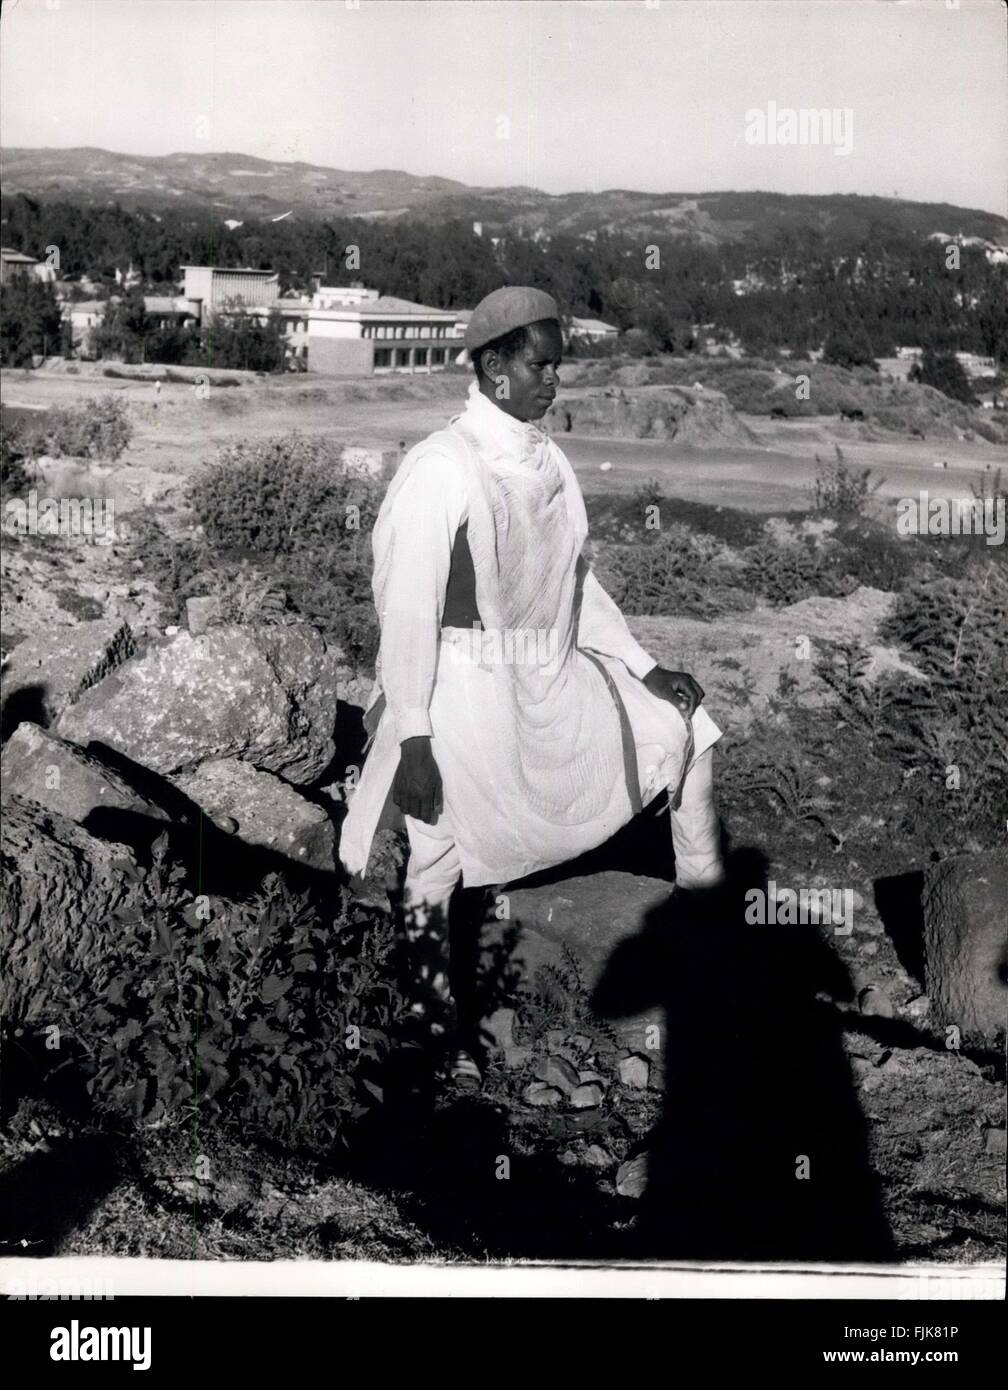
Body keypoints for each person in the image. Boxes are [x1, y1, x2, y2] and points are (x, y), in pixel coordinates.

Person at [340, 286, 724, 1089]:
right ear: (491, 366)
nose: (553, 382)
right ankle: (433, 1018)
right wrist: (412, 731)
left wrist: (643, 663)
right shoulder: (440, 468)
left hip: (547, 670)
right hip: (461, 687)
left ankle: (706, 930)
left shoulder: (545, 459)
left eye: (557, 366)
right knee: (436, 857)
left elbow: (574, 581)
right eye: (537, 365)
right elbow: (404, 605)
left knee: (688, 730)